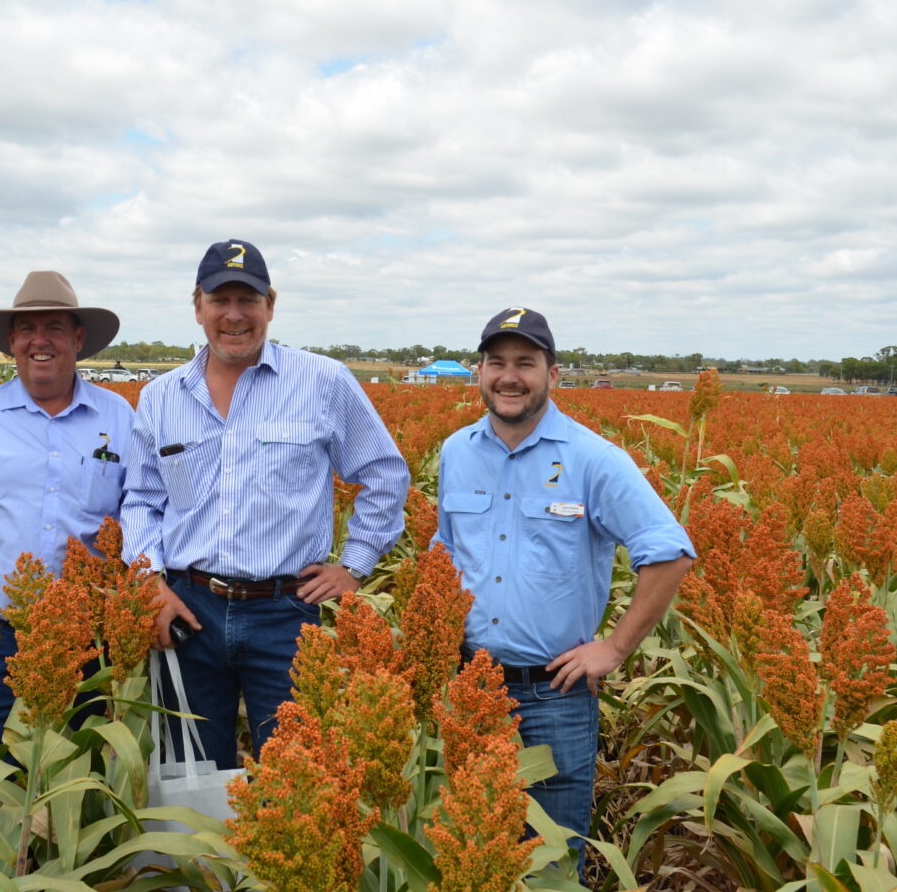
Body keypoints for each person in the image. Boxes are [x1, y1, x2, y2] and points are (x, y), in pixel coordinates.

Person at [121, 238, 409, 767]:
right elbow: (141, 498)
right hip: (189, 610)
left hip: (286, 611)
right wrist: (148, 582)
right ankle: (202, 857)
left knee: (298, 782)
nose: (234, 315)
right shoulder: (161, 396)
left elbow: (385, 474)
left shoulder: (322, 381)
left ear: (269, 306)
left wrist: (355, 566)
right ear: (198, 307)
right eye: (219, 300)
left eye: (248, 300)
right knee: (194, 780)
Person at [434, 306, 694, 868]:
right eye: (497, 362)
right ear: (479, 372)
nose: (510, 376)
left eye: (525, 363)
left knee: (551, 860)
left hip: (552, 695)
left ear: (553, 375)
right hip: (466, 684)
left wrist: (616, 647)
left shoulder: (594, 459)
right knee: (470, 856)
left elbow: (669, 552)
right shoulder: (457, 451)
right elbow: (446, 550)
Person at [0, 271, 132, 769]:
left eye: (55, 327)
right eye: (27, 329)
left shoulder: (118, 418)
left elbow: (140, 524)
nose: (40, 340)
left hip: (86, 640)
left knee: (77, 784)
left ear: (78, 339)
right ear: (11, 341)